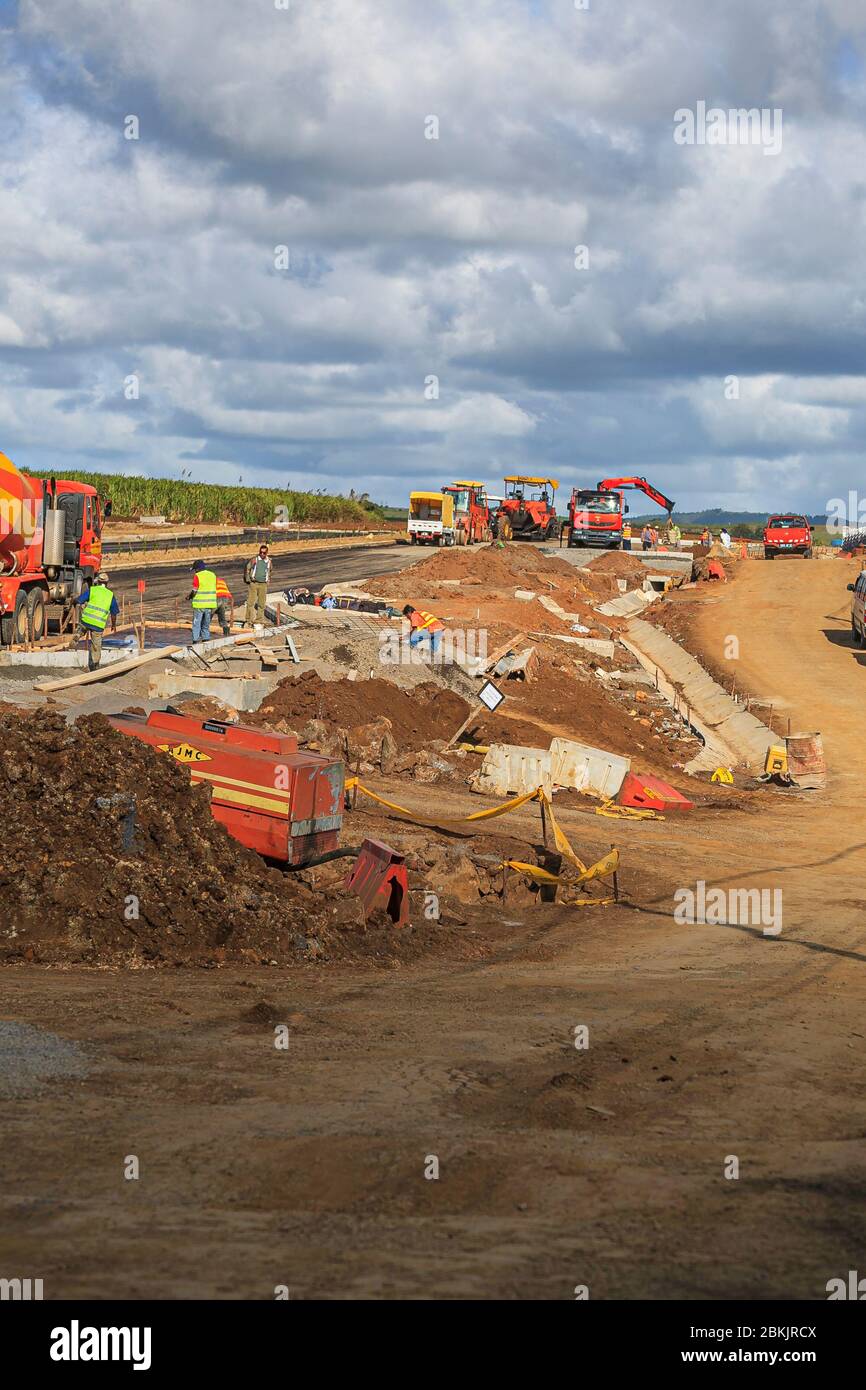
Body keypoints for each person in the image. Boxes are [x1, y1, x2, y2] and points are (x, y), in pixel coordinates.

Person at [75, 570, 118, 670]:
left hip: (86, 620)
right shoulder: (110, 595)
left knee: (82, 626)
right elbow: (114, 613)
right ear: (107, 583)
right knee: (96, 646)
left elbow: (79, 600)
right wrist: (113, 625)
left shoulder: (92, 590)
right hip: (98, 625)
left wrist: (73, 601)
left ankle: (79, 634)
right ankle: (95, 665)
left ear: (98, 581)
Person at [188, 559, 218, 642]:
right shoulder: (212, 575)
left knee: (196, 623)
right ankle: (206, 639)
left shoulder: (197, 576)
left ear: (197, 569)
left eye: (194, 570)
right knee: (206, 624)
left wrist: (189, 597)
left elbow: (194, 590)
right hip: (210, 604)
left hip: (199, 605)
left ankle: (195, 640)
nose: (194, 572)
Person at [244, 544, 272, 625]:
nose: (262, 554)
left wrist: (268, 580)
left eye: (264, 553)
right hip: (254, 583)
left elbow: (270, 571)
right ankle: (249, 620)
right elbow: (247, 568)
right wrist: (248, 580)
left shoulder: (269, 561)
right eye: (261, 552)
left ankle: (259, 619)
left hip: (263, 585)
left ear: (267, 553)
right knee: (250, 603)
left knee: (261, 603)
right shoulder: (254, 560)